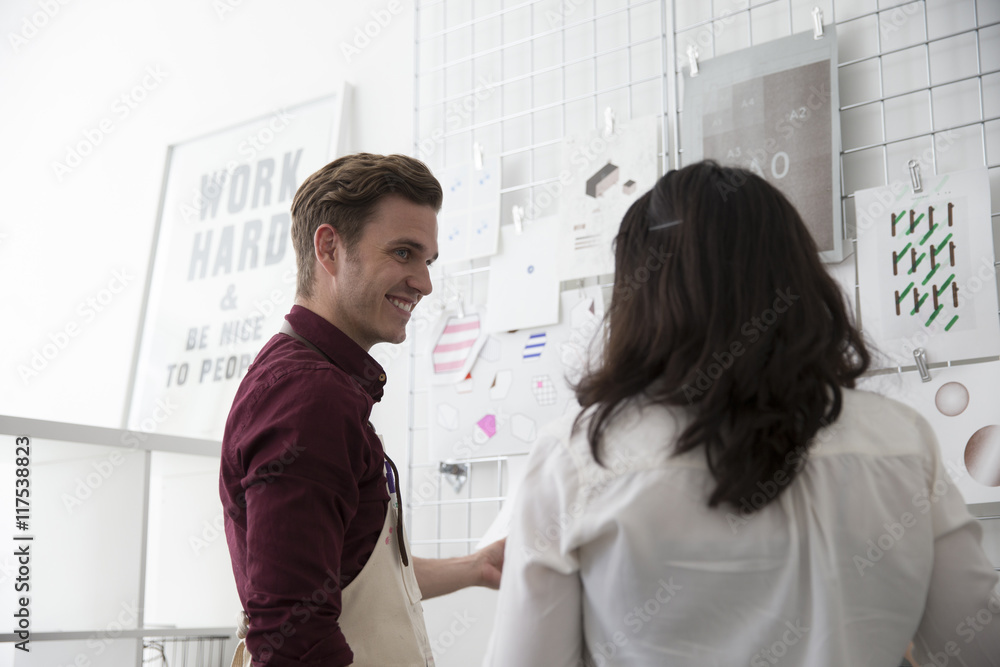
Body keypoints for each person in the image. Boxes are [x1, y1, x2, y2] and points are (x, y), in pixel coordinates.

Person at [486, 161, 1000, 666]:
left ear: (639, 297)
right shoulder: (902, 441)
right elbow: (978, 643)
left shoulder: (576, 460)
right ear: (799, 277)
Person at [220, 152, 505, 667]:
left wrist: (474, 567)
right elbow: (292, 635)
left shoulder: (318, 384)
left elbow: (349, 572)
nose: (424, 281)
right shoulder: (308, 399)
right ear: (330, 247)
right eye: (403, 253)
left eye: (428, 260)